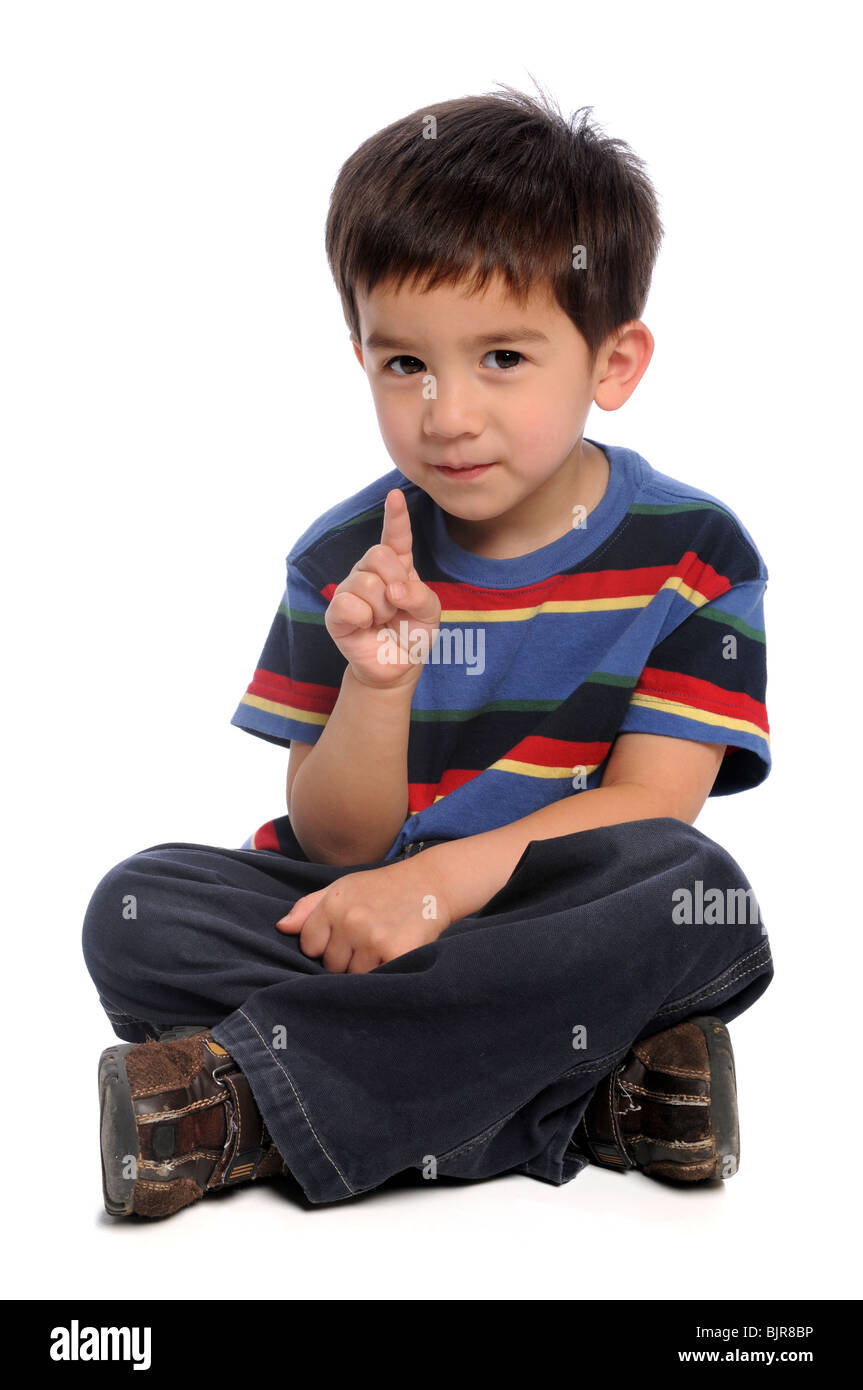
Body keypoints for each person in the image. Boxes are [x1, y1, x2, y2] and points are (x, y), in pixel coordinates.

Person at [83, 85, 773, 1220]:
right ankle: (587, 1090)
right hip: (358, 919)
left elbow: (652, 811)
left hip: (542, 917)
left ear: (612, 361)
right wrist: (378, 679)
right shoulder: (343, 557)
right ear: (357, 351)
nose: (445, 413)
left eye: (501, 356)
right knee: (141, 907)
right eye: (404, 364)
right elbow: (332, 837)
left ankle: (246, 1106)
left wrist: (440, 886)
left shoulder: (690, 554)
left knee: (700, 897)